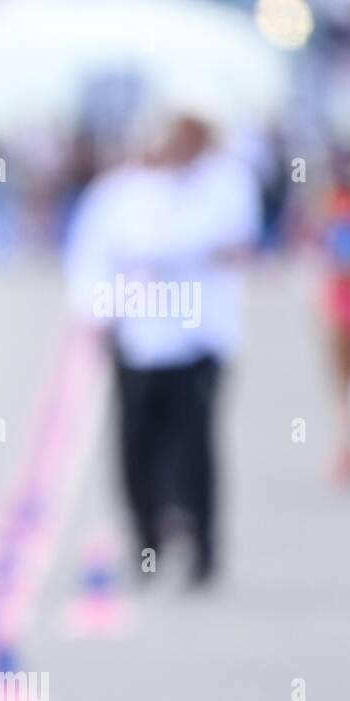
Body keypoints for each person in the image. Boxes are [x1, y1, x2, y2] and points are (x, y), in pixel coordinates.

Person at [66, 107, 261, 588]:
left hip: (198, 340)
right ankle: (148, 540)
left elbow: (229, 241)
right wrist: (97, 315)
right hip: (138, 339)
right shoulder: (117, 194)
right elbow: (92, 255)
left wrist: (165, 252)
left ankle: (202, 549)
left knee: (193, 445)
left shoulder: (222, 184)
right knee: (137, 446)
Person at [321, 148, 350, 487]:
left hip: (339, 308)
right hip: (339, 307)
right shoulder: (335, 207)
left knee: (342, 386)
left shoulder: (335, 207)